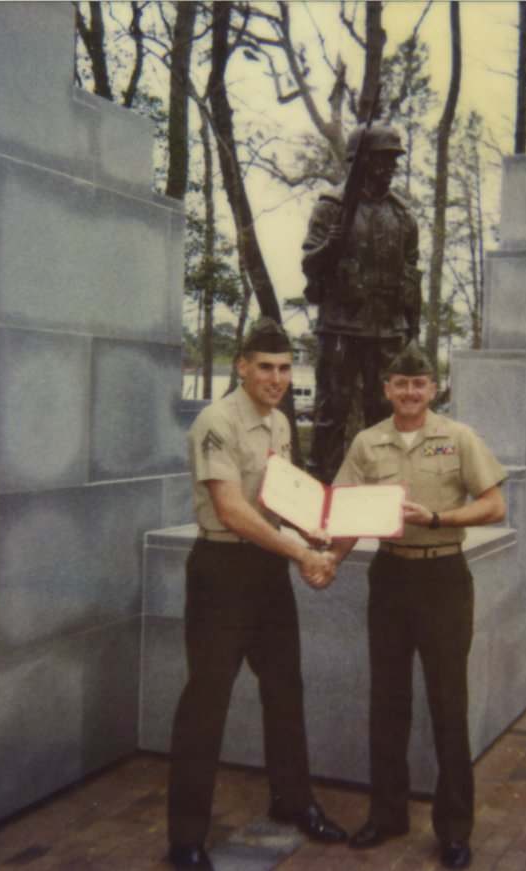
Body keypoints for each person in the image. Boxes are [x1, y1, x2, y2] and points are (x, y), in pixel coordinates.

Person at [167, 318, 346, 870]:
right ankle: (186, 839)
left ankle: (293, 802)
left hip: (266, 571)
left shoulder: (279, 424)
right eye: (265, 367)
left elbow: (276, 500)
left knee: (285, 689)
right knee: (207, 701)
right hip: (223, 569)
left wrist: (315, 532)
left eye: (285, 368)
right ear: (242, 366)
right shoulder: (217, 421)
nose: (276, 378)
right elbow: (233, 511)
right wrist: (300, 553)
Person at [328, 340, 507, 870]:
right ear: (387, 389)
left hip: (442, 576)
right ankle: (387, 815)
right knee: (388, 701)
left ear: (433, 389)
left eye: (419, 384)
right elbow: (345, 513)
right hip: (390, 578)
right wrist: (327, 560)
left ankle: (454, 829)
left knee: (448, 703)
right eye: (400, 384)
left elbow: (494, 505)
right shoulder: (367, 443)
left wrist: (436, 518)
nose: (409, 392)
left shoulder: (458, 438)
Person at [302, 124, 422, 483]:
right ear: (359, 163)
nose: (389, 169)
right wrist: (330, 246)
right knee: (330, 413)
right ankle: (319, 491)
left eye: (392, 161)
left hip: (387, 330)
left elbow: (412, 280)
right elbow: (309, 264)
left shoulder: (403, 215)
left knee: (385, 415)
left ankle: (384, 490)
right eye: (381, 160)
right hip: (340, 327)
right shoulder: (331, 208)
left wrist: (412, 332)